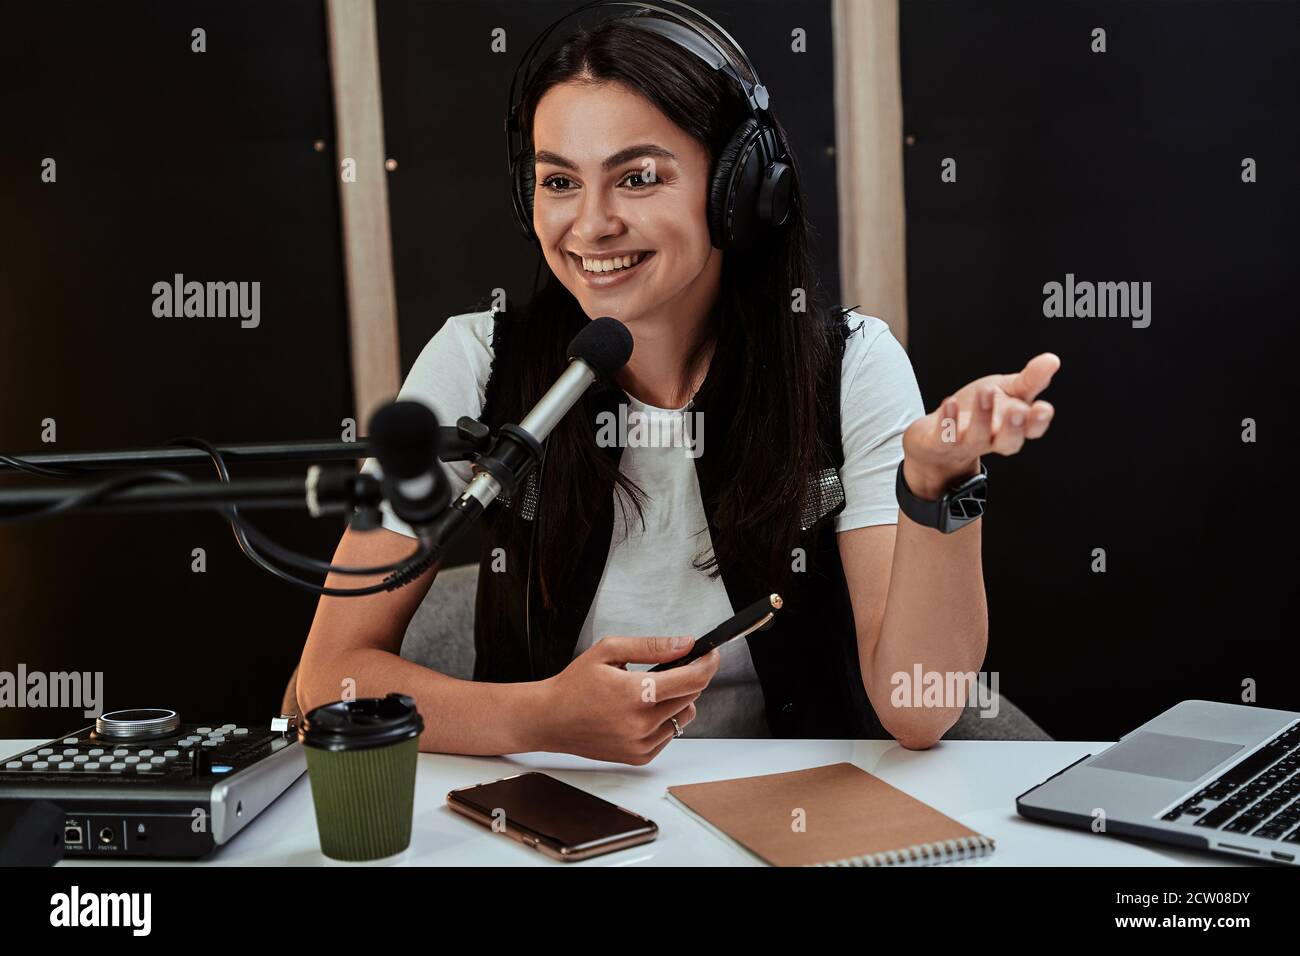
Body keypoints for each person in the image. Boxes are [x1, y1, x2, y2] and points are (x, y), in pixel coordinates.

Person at [297, 9, 1059, 764]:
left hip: (790, 817)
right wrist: (543, 718)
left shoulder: (852, 367)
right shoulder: (475, 363)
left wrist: (937, 483)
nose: (590, 225)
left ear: (739, 188)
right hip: (548, 819)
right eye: (559, 180)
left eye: (638, 177)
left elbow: (917, 711)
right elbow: (328, 681)